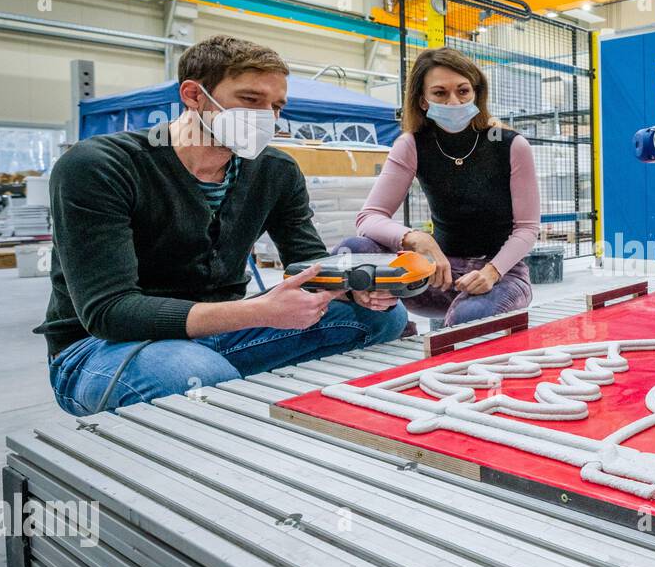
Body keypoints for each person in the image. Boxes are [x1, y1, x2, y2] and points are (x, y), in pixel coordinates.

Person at [36, 35, 408, 416]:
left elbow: (309, 261)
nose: (268, 117)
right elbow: (111, 312)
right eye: (250, 100)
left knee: (383, 318)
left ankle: (223, 384)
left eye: (276, 106)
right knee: (192, 373)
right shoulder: (101, 167)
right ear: (194, 95)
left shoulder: (274, 171)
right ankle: (219, 387)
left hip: (221, 332)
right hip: (105, 345)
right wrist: (262, 312)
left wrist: (350, 289)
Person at [336, 47, 539, 327]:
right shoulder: (412, 145)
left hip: (501, 274)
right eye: (441, 93)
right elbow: (368, 217)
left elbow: (527, 229)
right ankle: (390, 324)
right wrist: (417, 238)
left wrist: (492, 271)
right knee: (352, 250)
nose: (454, 102)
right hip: (437, 273)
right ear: (423, 101)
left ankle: (453, 332)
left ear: (476, 94)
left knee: (468, 318)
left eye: (463, 91)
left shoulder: (510, 145)